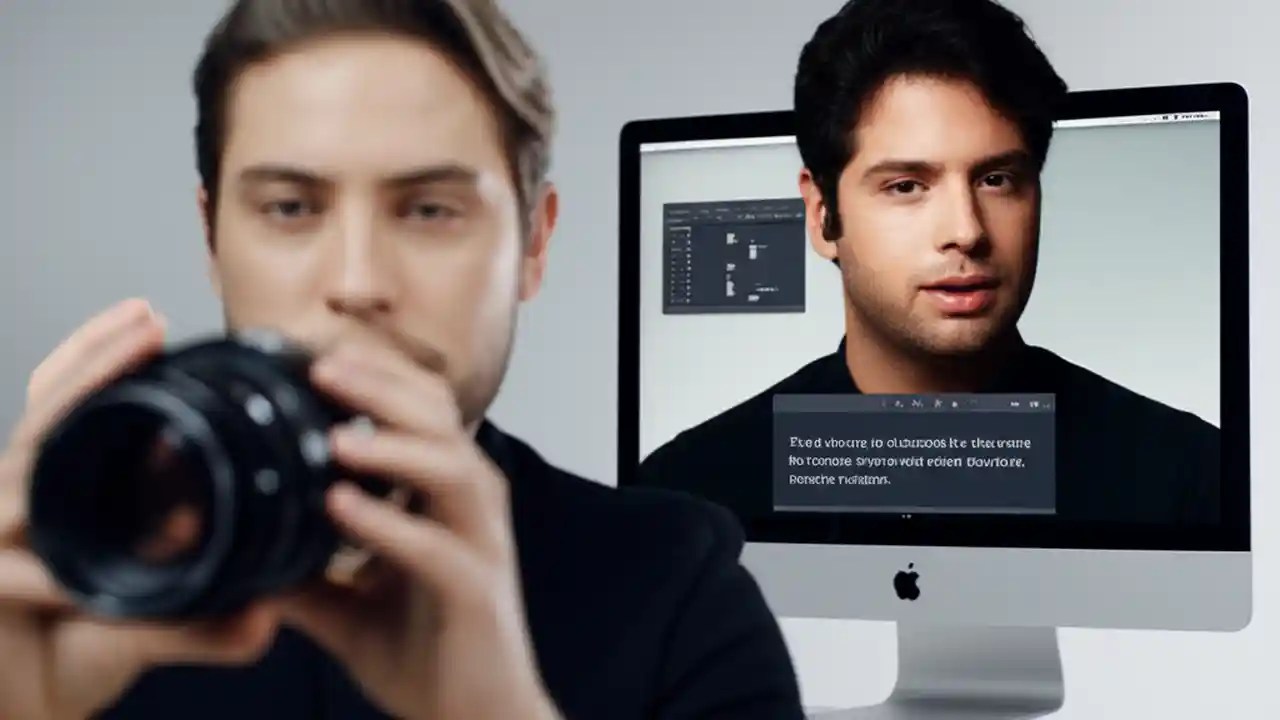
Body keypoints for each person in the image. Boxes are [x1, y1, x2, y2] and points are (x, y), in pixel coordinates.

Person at [0, 1, 807, 719]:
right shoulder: (82, 576)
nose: (358, 284)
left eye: (428, 210)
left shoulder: (678, 586)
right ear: (213, 239)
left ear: (534, 243)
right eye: (290, 207)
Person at [639, 0, 1220, 526]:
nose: (966, 231)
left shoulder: (1190, 477)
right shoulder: (688, 494)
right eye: (906, 186)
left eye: (997, 179)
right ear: (821, 215)